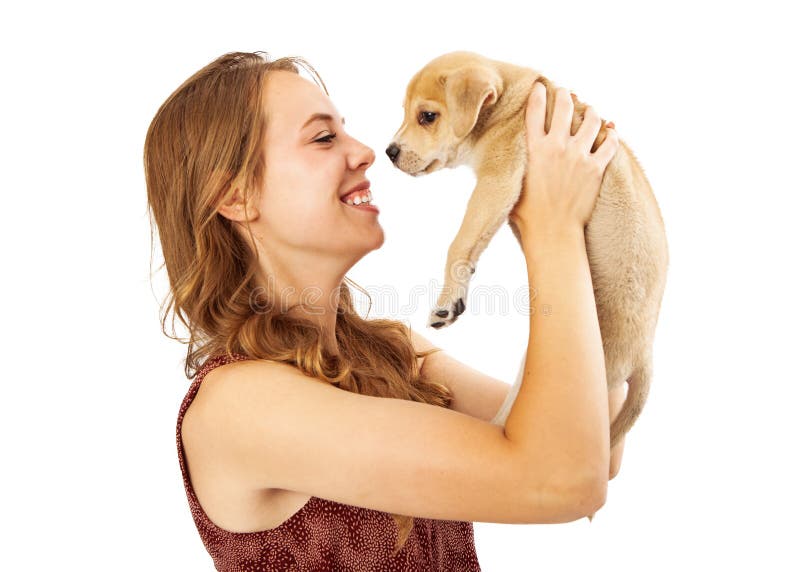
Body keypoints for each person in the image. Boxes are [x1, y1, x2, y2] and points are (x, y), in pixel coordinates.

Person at [144, 51, 619, 571]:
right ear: (235, 196)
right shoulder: (239, 406)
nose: (368, 151)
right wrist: (552, 228)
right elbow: (561, 480)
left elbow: (596, 440)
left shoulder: (391, 354)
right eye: (323, 138)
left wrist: (598, 213)